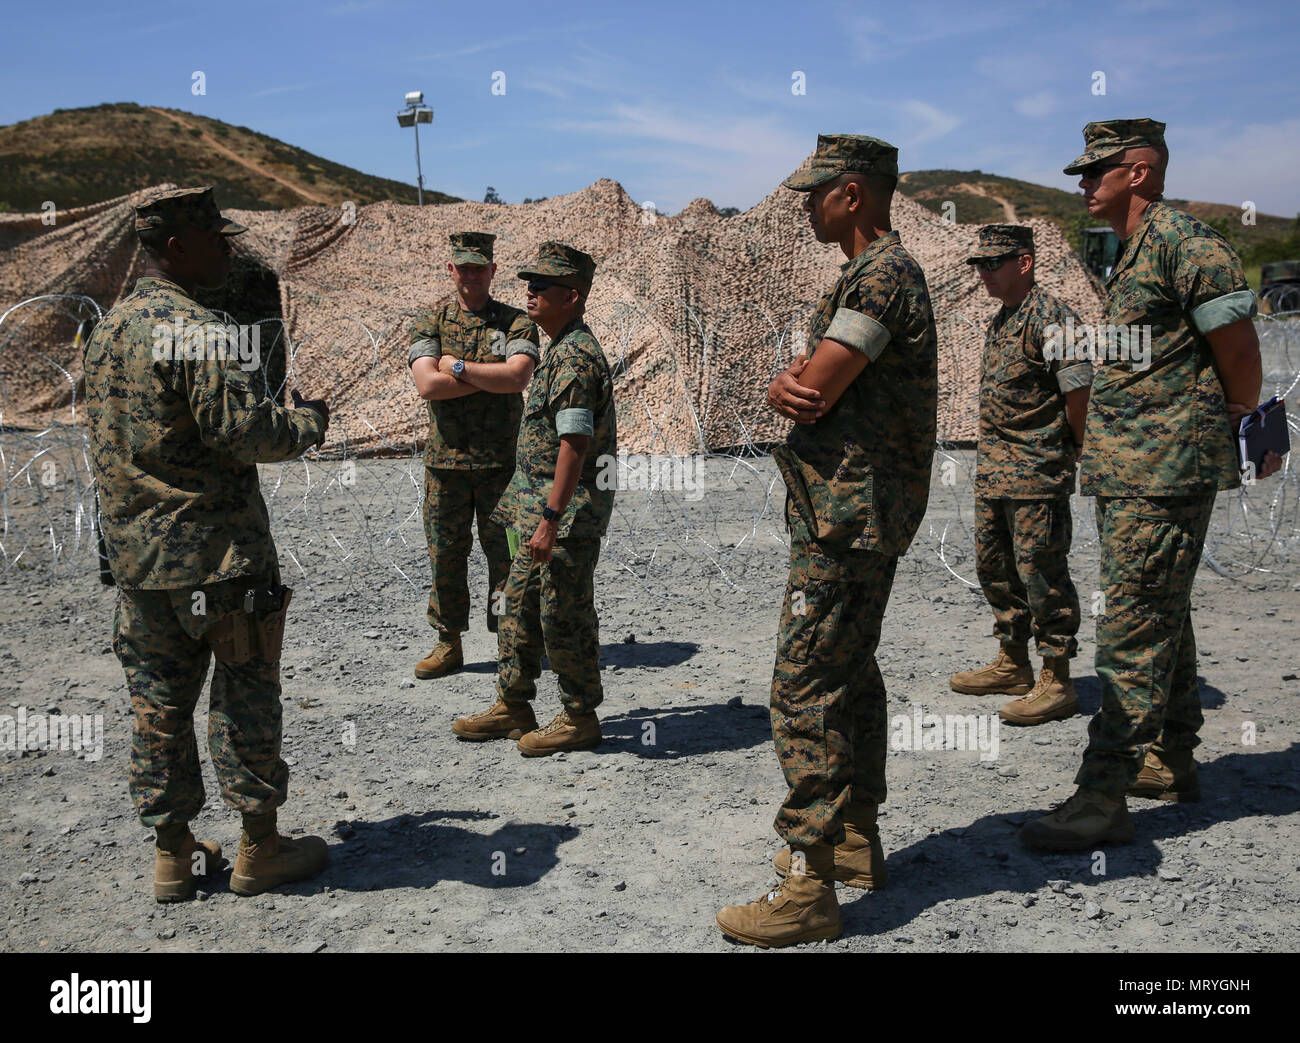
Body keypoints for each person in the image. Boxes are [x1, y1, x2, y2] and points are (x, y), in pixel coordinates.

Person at [1021, 119, 1282, 850]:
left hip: (1166, 470)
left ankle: (1102, 795)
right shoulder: (1135, 249)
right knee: (1161, 607)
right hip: (1137, 467)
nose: (1083, 184)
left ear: (1138, 171)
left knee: (1133, 626)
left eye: (1095, 170)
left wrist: (1238, 420)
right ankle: (1170, 756)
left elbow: (1238, 348)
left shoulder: (1186, 243)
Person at [715, 135, 938, 946]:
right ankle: (852, 839)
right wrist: (794, 381)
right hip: (851, 512)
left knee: (805, 683)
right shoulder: (870, 274)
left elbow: (811, 386)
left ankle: (809, 881)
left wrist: (794, 382)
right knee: (848, 673)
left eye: (816, 192)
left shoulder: (881, 274)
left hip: (849, 517)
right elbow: (806, 382)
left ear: (853, 192)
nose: (805, 205)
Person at [84, 186, 331, 900]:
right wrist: (308, 424)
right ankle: (260, 845)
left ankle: (173, 855)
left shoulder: (107, 332)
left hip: (139, 561)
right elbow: (245, 433)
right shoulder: (196, 329)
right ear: (175, 248)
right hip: (219, 559)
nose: (228, 250)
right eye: (215, 239)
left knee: (158, 705)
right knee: (245, 691)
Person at [451, 242, 617, 756]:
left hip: (563, 514)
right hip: (537, 507)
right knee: (518, 606)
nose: (530, 291)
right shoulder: (558, 348)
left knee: (561, 611)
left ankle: (578, 715)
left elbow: (575, 443)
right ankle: (514, 704)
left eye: (541, 286)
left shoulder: (575, 358)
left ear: (571, 295)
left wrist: (550, 518)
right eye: (529, 283)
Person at [948, 224, 1093, 726]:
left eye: (995, 263)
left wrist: (1072, 449)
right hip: (996, 472)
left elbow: (1079, 394)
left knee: (1042, 573)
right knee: (996, 569)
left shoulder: (1052, 317)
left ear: (1024, 263)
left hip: (1036, 472)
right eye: (980, 265)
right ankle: (1013, 662)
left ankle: (1057, 678)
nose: (985, 273)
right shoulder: (1004, 319)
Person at [408, 232, 540, 679]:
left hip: (501, 465)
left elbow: (518, 378)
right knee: (445, 555)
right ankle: (448, 643)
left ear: (492, 271)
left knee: (505, 557)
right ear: (452, 270)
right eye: (462, 267)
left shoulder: (516, 323)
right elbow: (428, 385)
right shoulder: (430, 322)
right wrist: (490, 376)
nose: (470, 275)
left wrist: (458, 367)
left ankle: (510, 638)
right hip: (445, 466)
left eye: (478, 267)